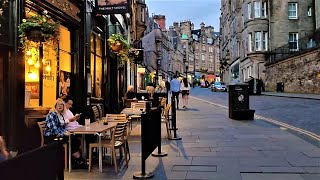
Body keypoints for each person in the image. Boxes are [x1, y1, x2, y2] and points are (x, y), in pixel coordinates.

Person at [44, 98, 87, 169]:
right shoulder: (52, 114)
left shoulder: (60, 115)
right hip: (51, 137)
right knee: (71, 140)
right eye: (58, 104)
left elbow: (62, 127)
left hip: (57, 135)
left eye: (62, 105)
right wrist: (64, 134)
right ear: (55, 106)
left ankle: (76, 161)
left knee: (74, 139)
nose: (60, 106)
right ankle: (78, 160)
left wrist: (65, 132)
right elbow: (54, 129)